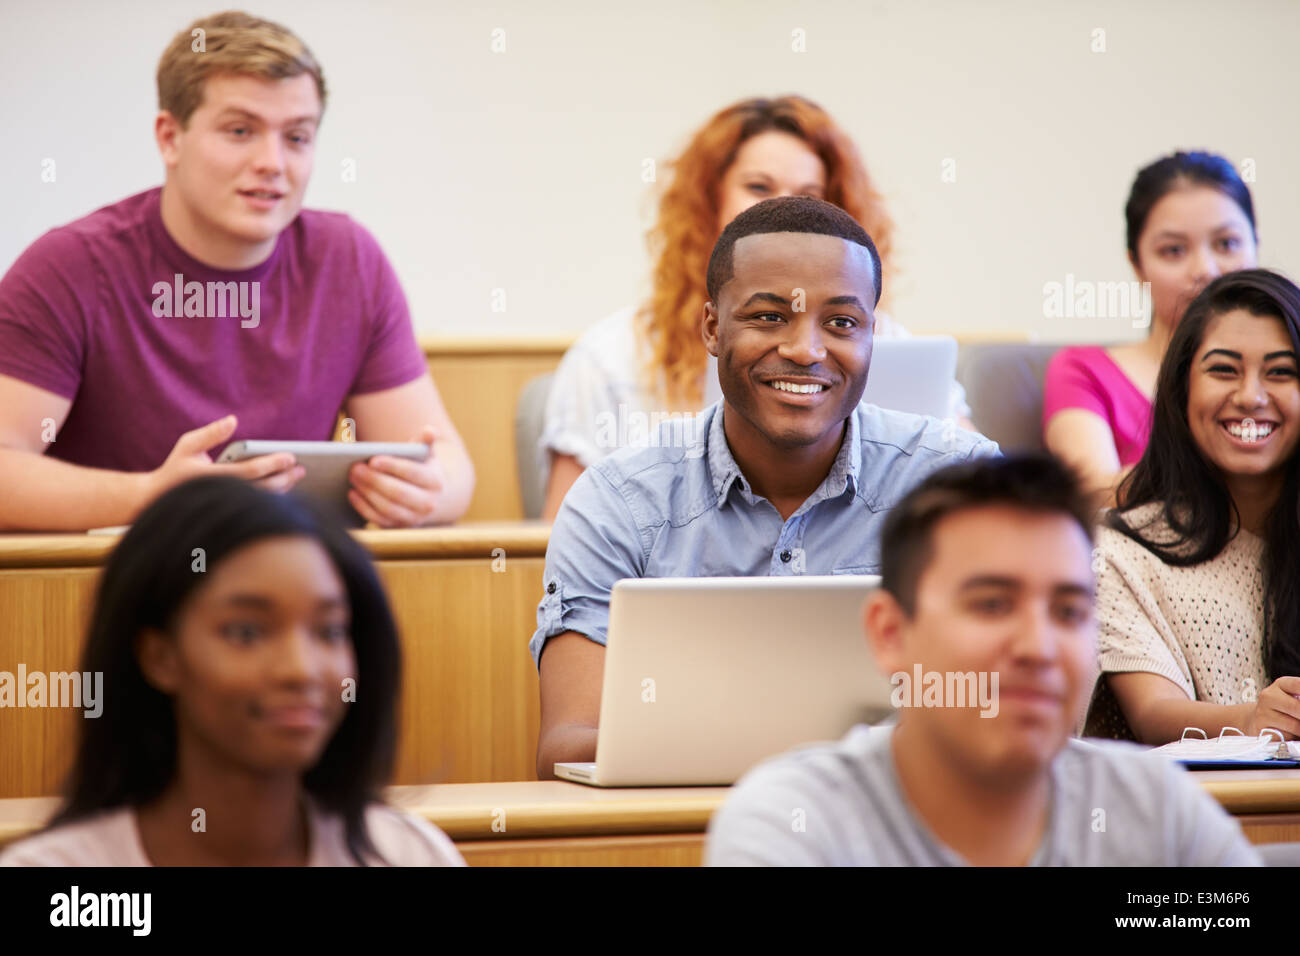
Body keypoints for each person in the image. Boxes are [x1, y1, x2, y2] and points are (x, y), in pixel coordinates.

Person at [531, 196, 998, 778]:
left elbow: (1008, 707)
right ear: (712, 328)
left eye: (842, 323)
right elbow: (565, 747)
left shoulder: (963, 484)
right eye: (769, 317)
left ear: (873, 336)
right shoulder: (616, 503)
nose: (805, 351)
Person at [0, 11, 474, 532]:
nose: (272, 162)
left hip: (288, 582)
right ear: (169, 138)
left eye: (297, 137)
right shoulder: (69, 267)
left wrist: (426, 492)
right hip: (110, 591)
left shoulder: (350, 261)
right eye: (240, 131)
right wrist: (150, 497)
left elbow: (448, 467)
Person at [706, 454, 1260, 866]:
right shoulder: (792, 829)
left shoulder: (1157, 815)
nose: (1037, 647)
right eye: (992, 604)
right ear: (890, 633)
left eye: (1068, 611)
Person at [540, 95, 971, 520]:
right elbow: (567, 532)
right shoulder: (609, 355)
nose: (781, 210)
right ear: (709, 203)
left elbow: (975, 483)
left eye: (809, 196)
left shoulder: (884, 339)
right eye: (759, 187)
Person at [0, 475, 464, 866]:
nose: (300, 671)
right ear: (159, 656)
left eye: (329, 632)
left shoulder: (407, 855)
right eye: (246, 633)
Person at [1085, 269, 1300, 744]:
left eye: (1281, 372)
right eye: (1223, 369)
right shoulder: (1121, 550)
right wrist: (1250, 721)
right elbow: (1153, 711)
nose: (1251, 396)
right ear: (1182, 390)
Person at [1043, 151, 1258, 506]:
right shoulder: (1084, 370)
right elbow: (1093, 490)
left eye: (1227, 244)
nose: (1205, 269)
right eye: (1173, 250)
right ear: (1137, 263)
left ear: (1255, 242)